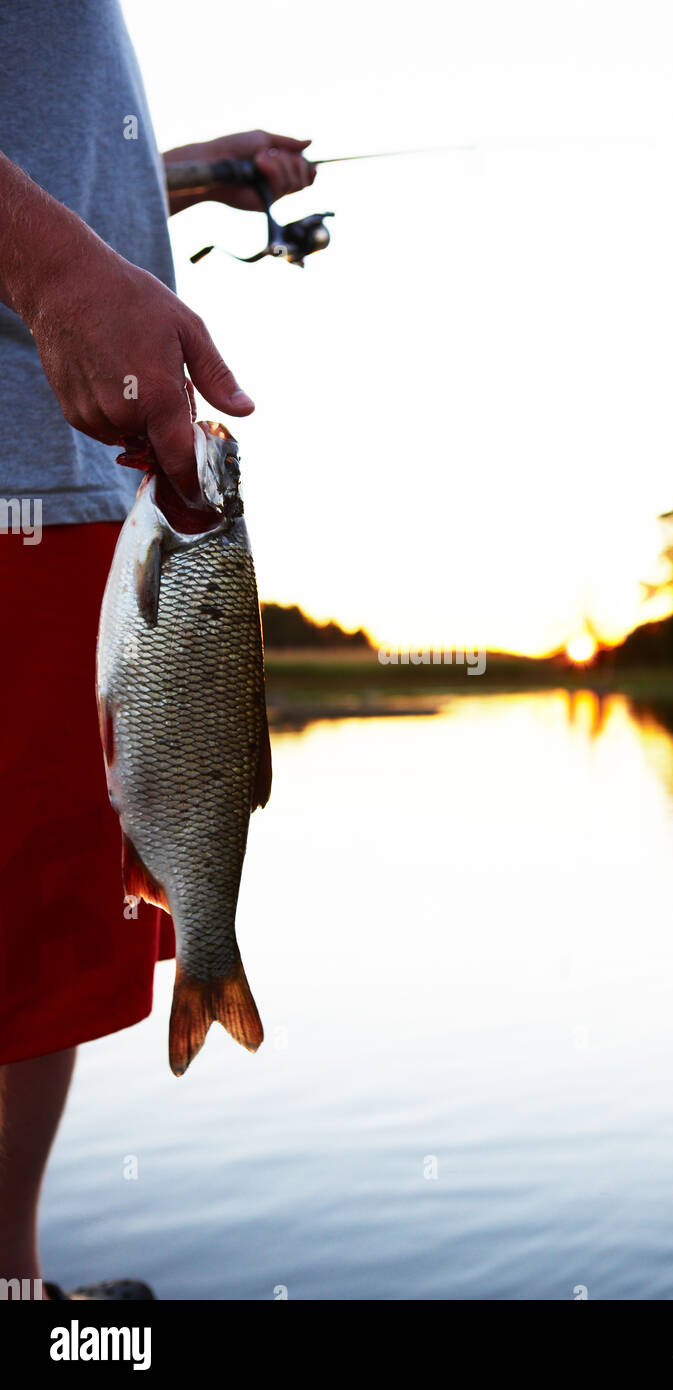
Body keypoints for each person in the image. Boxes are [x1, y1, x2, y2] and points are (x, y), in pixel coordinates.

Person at [0, 1, 315, 1300]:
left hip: (59, 475)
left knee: (32, 928)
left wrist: (164, 177)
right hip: (18, 473)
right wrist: (58, 270)